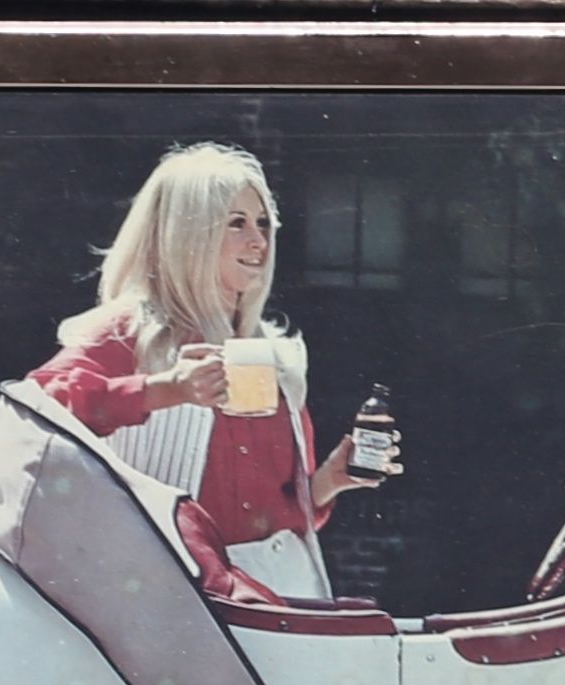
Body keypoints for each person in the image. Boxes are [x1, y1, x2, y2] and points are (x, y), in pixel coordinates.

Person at [26, 142, 395, 606]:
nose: (258, 242)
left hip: (283, 590)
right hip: (178, 596)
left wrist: (328, 482)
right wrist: (163, 389)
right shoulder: (130, 331)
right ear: (187, 234)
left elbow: (273, 513)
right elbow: (36, 410)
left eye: (262, 223)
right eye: (235, 223)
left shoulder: (274, 354)